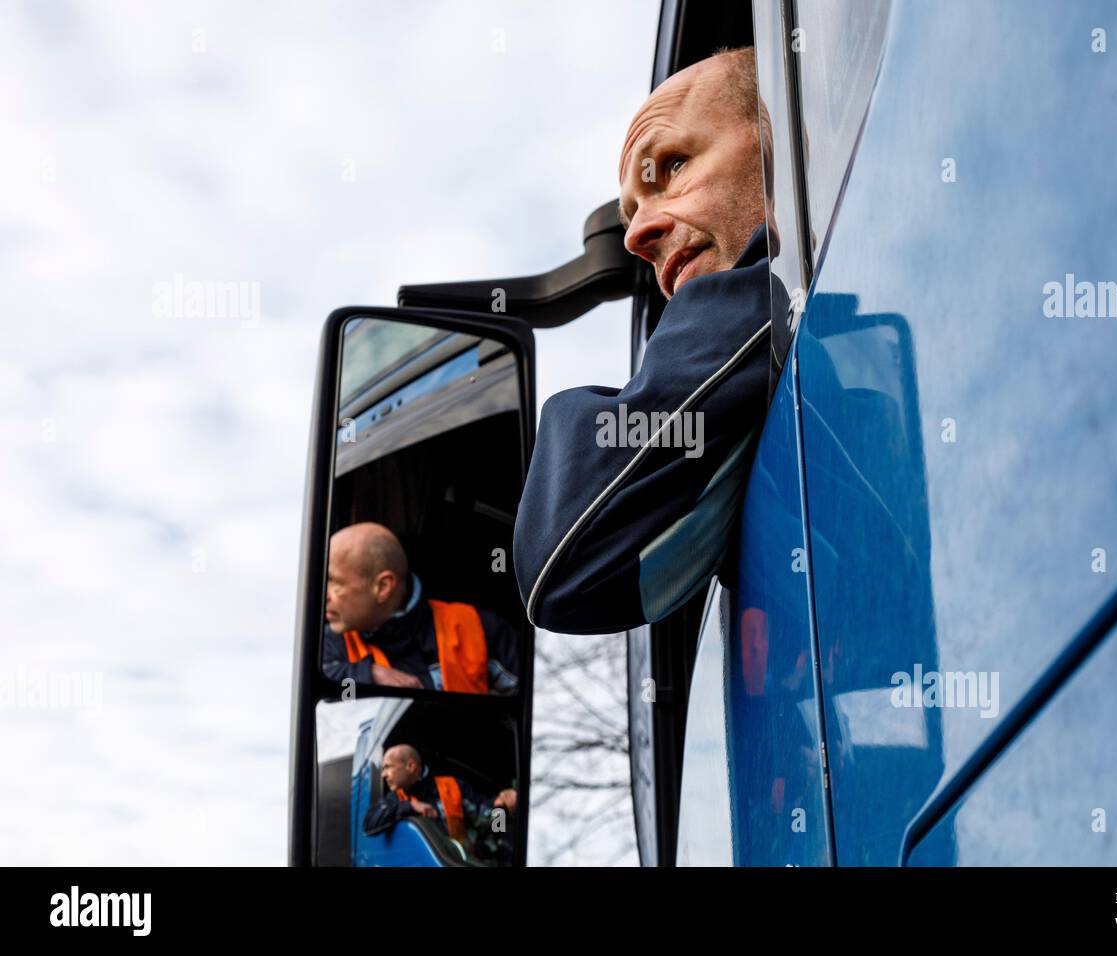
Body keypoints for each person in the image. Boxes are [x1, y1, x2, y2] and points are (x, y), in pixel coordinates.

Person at [513, 47, 778, 634]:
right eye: (631, 210)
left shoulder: (787, 309)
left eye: (673, 164)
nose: (635, 235)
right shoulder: (789, 362)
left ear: (789, 139)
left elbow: (562, 566)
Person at [322, 522, 519, 692]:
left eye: (334, 582)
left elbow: (539, 695)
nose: (325, 596)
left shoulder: (475, 626)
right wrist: (368, 674)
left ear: (382, 587)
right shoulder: (330, 645)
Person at [361, 744, 517, 862]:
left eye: (388, 767)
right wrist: (410, 806)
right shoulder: (395, 799)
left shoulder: (451, 785)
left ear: (411, 766)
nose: (383, 775)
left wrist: (501, 807)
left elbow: (488, 819)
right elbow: (369, 824)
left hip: (461, 862)